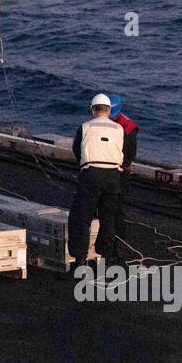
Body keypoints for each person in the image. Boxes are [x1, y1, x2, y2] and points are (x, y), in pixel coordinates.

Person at [68, 93, 133, 269]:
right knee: (108, 218)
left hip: (91, 174)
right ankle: (107, 258)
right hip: (113, 176)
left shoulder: (85, 127)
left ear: (92, 110)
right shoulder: (119, 129)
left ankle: (80, 261)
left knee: (81, 218)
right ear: (109, 110)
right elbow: (125, 153)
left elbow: (77, 150)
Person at [108, 93, 140, 225]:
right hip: (120, 169)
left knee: (112, 205)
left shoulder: (124, 128)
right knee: (117, 205)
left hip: (114, 169)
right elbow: (132, 153)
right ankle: (118, 238)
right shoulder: (130, 126)